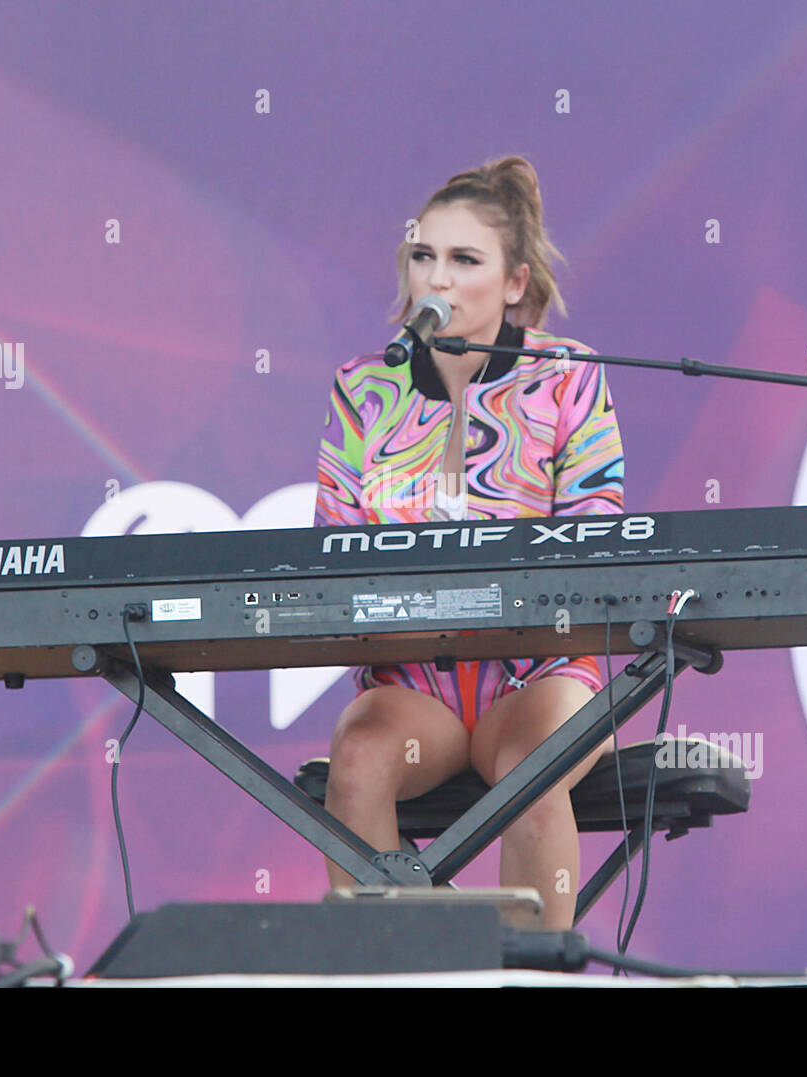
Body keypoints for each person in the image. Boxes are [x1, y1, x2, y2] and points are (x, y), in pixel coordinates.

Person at [312, 155, 625, 929]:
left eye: (463, 260)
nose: (437, 279)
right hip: (417, 679)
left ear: (515, 282)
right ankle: (400, 969)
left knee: (530, 769)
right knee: (355, 756)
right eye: (423, 257)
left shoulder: (565, 374)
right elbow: (334, 551)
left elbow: (598, 534)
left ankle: (538, 974)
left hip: (537, 669)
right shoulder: (363, 388)